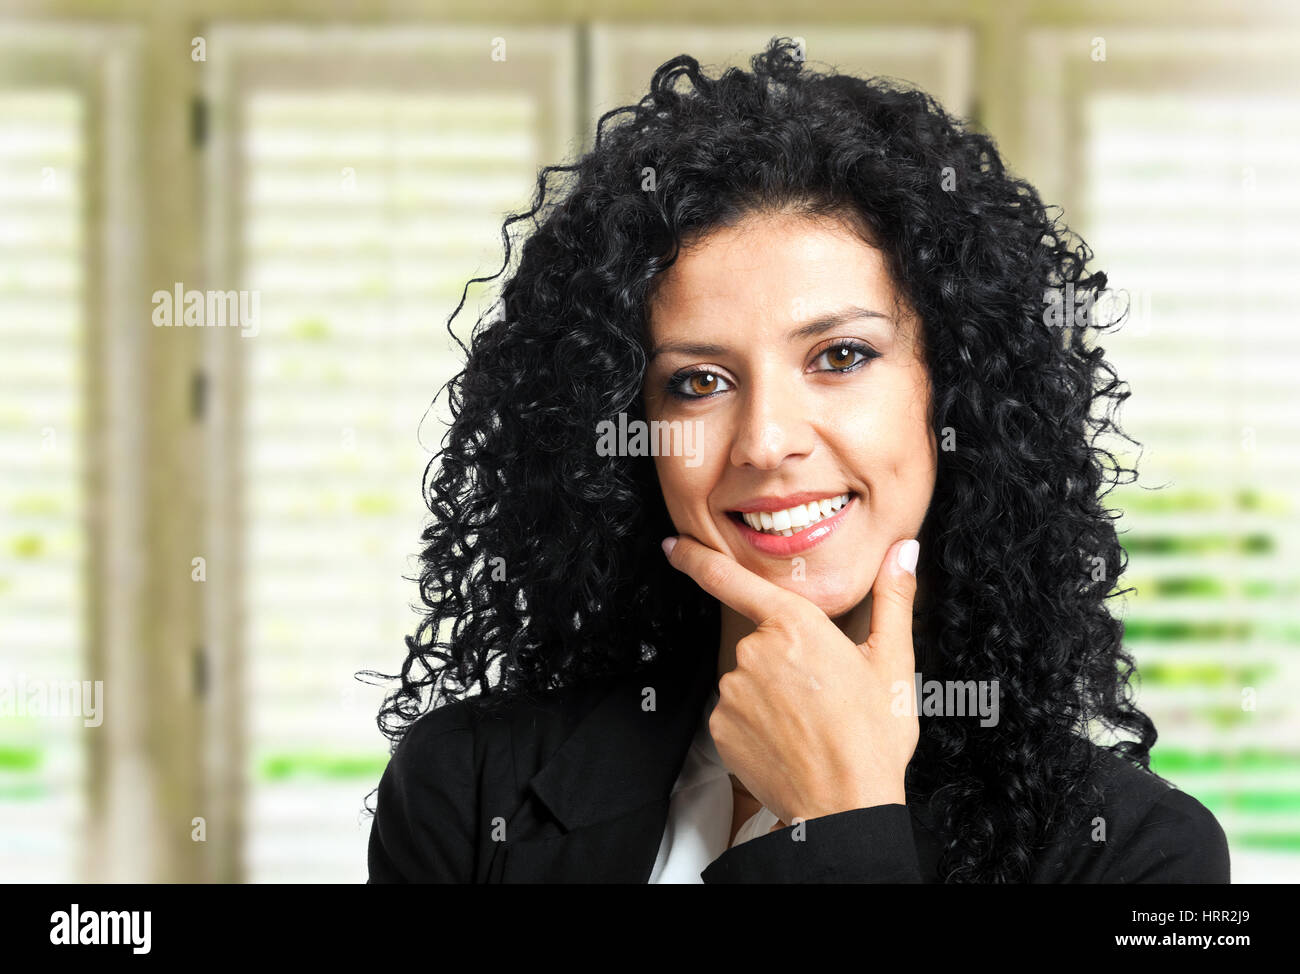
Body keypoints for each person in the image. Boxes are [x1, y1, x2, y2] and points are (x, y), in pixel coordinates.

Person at [362, 37, 1230, 883]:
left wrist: (843, 821)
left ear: (954, 390)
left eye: (841, 357)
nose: (767, 442)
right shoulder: (469, 788)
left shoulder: (1136, 854)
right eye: (698, 381)